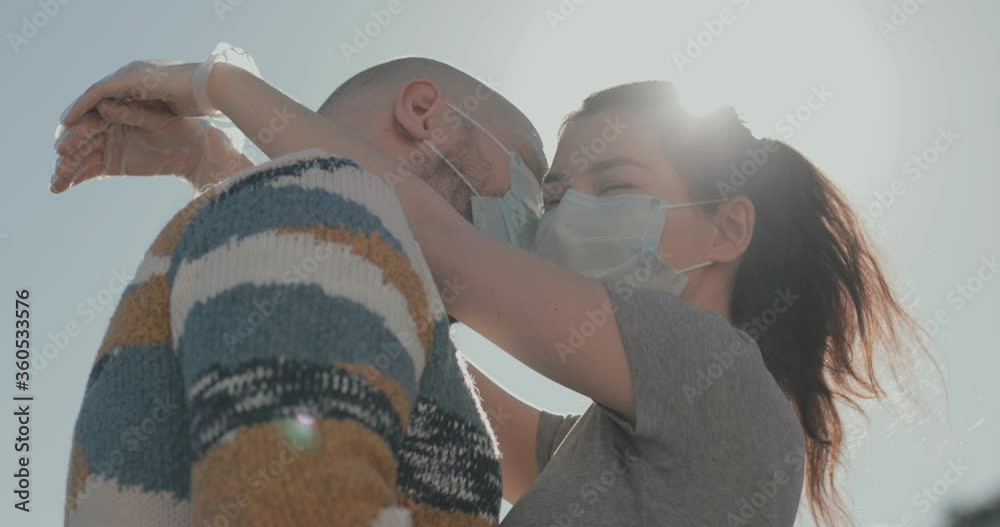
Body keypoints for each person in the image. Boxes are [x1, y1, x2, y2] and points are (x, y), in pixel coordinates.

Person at [57, 57, 927, 527]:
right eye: (554, 195)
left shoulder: (719, 374)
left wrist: (213, 86)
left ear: (726, 229)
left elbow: (421, 239)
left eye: (614, 183)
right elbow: (404, 335)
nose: (563, 218)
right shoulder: (623, 442)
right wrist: (216, 167)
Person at [56, 57, 546, 527]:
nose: (539, 224)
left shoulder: (307, 224)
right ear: (422, 114)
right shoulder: (331, 211)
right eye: (530, 178)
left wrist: (221, 162)